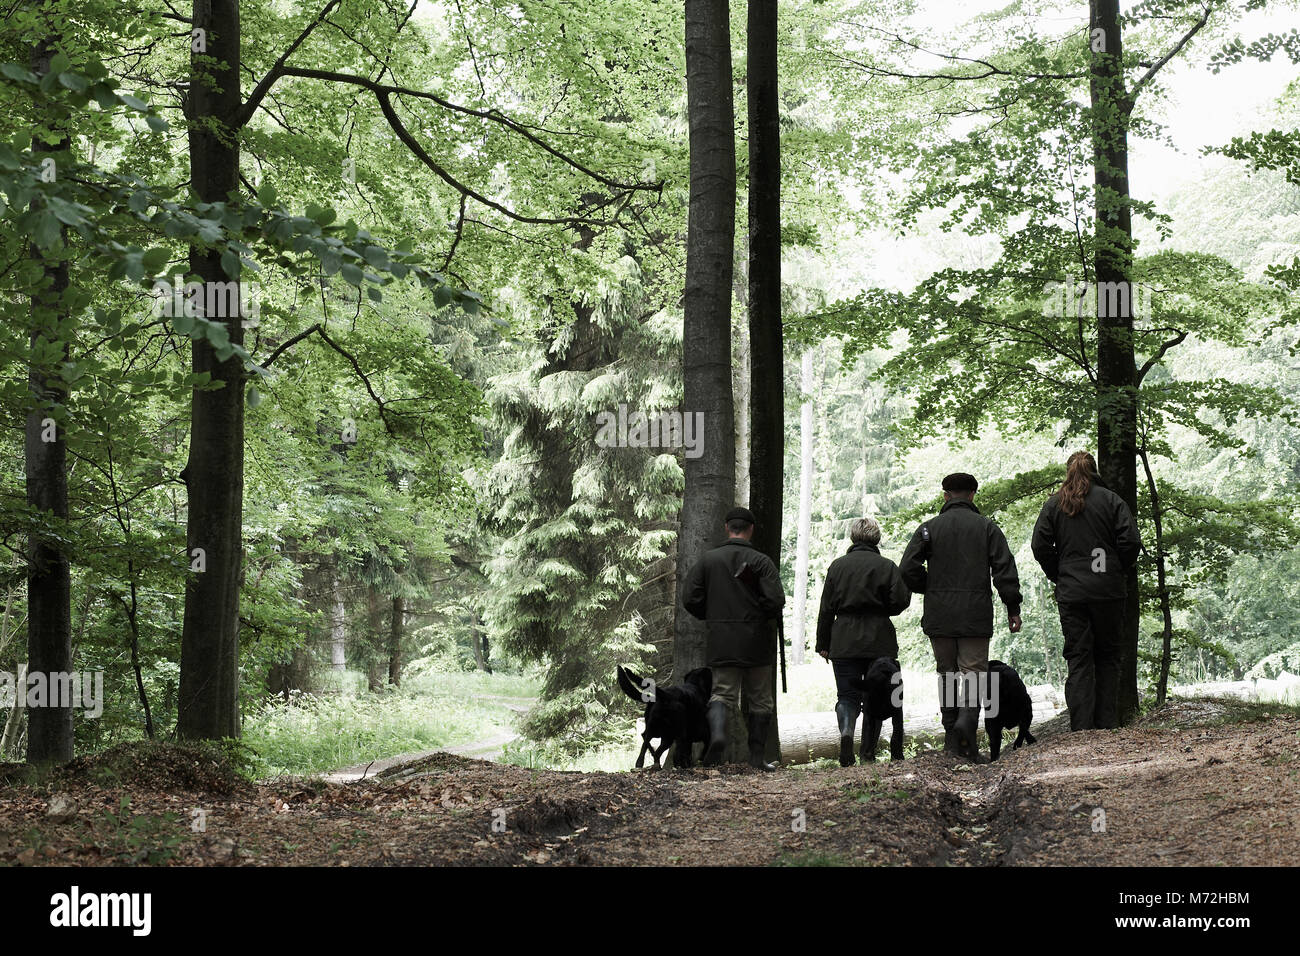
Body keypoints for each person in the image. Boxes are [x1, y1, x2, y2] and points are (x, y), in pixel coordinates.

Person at [901, 473, 1022, 763]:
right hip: (975, 615)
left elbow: (907, 568)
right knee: (974, 674)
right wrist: (1012, 607)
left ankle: (951, 743)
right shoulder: (986, 528)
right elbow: (1004, 570)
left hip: (940, 616)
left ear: (945, 495)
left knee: (946, 674)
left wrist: (928, 586)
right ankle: (966, 729)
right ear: (972, 495)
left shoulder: (928, 529)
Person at [1031, 451, 1140, 731]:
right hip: (1108, 592)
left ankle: (1081, 729)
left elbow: (1040, 546)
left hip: (1073, 594)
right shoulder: (1112, 500)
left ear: (1069, 471)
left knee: (1079, 658)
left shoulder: (1055, 504)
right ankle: (1106, 725)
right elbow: (1130, 541)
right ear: (1095, 470)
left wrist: (1060, 574)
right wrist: (1115, 569)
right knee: (1107, 656)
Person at [681, 506, 786, 770]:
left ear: (727, 527)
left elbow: (689, 598)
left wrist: (713, 616)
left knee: (721, 694)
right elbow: (776, 602)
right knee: (760, 699)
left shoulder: (709, 560)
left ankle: (717, 737)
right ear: (750, 530)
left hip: (722, 638)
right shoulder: (762, 562)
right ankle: (756, 758)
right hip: (757, 641)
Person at [815, 517, 911, 766]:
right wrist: (882, 608)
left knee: (847, 695)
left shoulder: (837, 566)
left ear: (853, 538)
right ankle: (867, 754)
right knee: (876, 697)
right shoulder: (887, 566)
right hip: (879, 641)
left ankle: (847, 732)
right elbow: (900, 601)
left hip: (844, 640)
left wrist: (823, 642)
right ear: (876, 539)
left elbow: (826, 607)